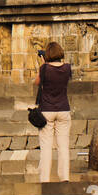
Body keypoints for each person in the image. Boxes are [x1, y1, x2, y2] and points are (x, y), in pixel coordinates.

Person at [34, 41, 73, 183]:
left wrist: (43, 63)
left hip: (47, 110)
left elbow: (37, 82)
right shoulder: (68, 68)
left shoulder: (44, 69)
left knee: (46, 147)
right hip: (63, 109)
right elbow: (63, 75)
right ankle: (65, 177)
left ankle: (44, 178)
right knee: (63, 145)